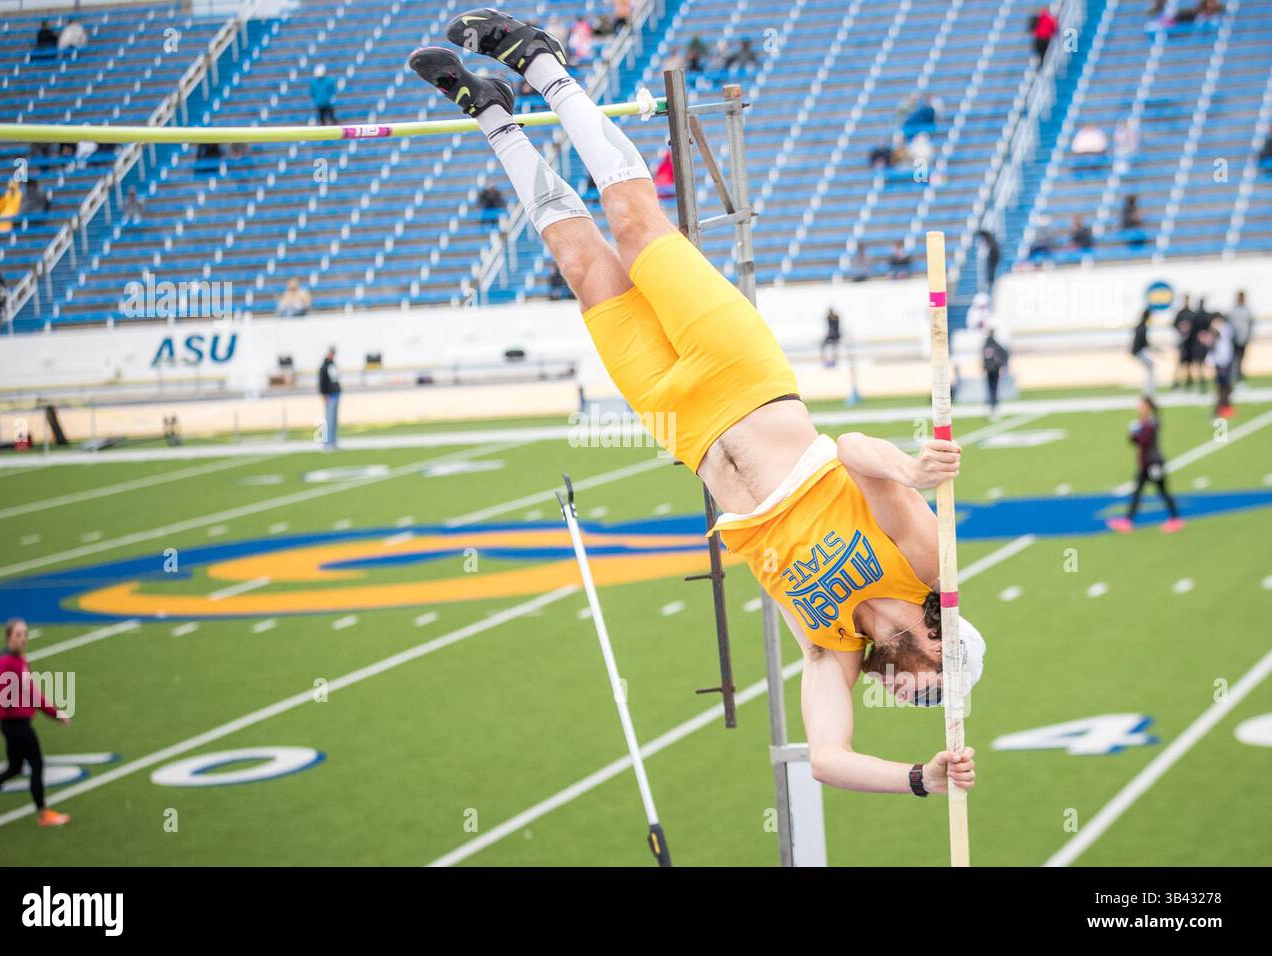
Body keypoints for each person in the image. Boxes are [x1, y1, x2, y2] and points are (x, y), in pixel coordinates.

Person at [408, 12, 983, 799]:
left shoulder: (832, 649)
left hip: (686, 430)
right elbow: (852, 450)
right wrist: (912, 466)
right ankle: (541, 63)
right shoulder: (925, 564)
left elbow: (827, 760)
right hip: (744, 378)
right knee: (638, 226)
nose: (923, 702)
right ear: (939, 644)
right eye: (938, 693)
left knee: (583, 269)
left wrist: (922, 777)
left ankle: (490, 111)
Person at [0, 618, 72, 827]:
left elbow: (31, 694)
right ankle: (43, 814)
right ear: (8, 637)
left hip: (15, 723)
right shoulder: (7, 663)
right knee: (37, 764)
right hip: (16, 725)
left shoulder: (19, 660)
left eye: (25, 634)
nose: (23, 639)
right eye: (18, 635)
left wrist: (55, 713)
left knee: (14, 768)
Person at [1107, 397, 1184, 534]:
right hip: (1145, 464)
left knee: (1162, 491)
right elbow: (1135, 441)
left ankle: (1176, 519)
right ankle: (1127, 521)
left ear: (1148, 407)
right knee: (1137, 492)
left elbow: (1144, 440)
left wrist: (1136, 432)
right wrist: (1134, 433)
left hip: (1153, 464)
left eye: (1142, 405)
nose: (1139, 407)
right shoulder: (1144, 422)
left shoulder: (1151, 422)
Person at [1204, 313, 1236, 419]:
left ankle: (1223, 407)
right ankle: (1221, 408)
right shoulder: (1224, 327)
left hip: (1223, 359)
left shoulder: (1222, 327)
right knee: (1223, 386)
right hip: (1222, 360)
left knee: (1224, 386)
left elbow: (1213, 341)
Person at [981, 328, 1009, 419]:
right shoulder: (995, 344)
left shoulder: (987, 344)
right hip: (995, 369)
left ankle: (992, 405)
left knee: (990, 388)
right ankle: (993, 405)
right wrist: (1002, 365)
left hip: (989, 369)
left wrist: (984, 367)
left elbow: (984, 358)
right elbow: (1004, 353)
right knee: (994, 388)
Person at [1226, 290, 1252, 383]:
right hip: (1234, 339)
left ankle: (1239, 375)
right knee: (1234, 359)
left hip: (1243, 339)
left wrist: (1248, 337)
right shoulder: (1233, 310)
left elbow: (1250, 324)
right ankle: (1235, 376)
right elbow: (1229, 324)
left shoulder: (1247, 310)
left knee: (1241, 358)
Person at [1131, 308, 1157, 396]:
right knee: (1151, 366)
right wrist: (1156, 350)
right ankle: (1148, 389)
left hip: (1138, 350)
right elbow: (1145, 342)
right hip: (1138, 351)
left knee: (1150, 366)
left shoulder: (1140, 325)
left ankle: (1148, 388)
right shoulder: (1143, 327)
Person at [318, 346, 340, 448]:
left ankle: (333, 441)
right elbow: (322, 382)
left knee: (334, 420)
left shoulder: (333, 365)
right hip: (329, 395)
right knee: (328, 420)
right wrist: (324, 394)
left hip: (335, 394)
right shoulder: (324, 366)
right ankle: (326, 442)